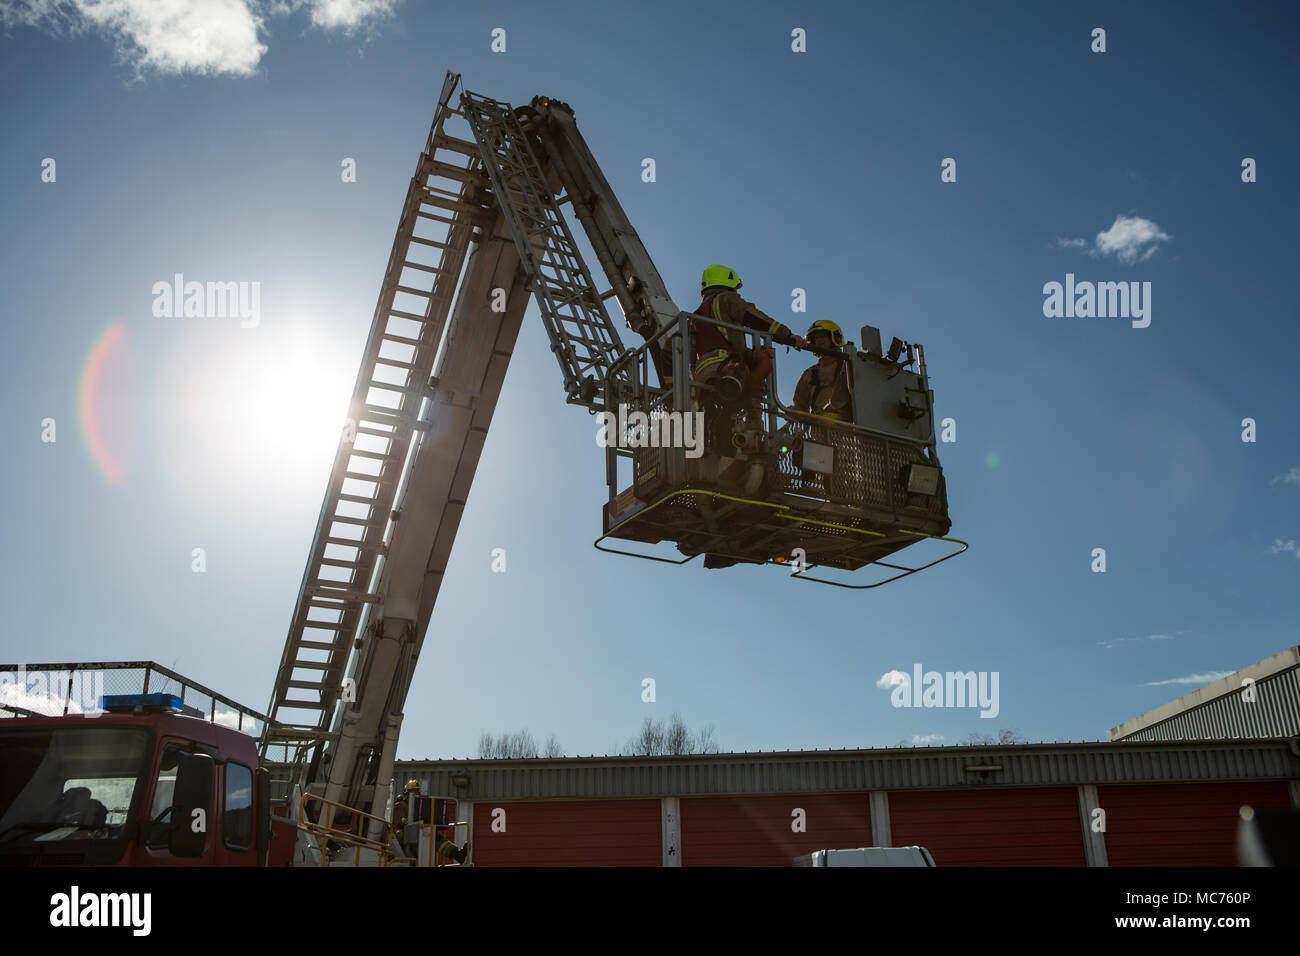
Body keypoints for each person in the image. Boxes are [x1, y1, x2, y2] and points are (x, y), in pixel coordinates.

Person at [692, 264, 805, 414]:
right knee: (765, 357)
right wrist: (787, 335)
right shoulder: (726, 299)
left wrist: (672, 390)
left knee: (719, 418)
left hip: (700, 377)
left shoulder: (694, 317)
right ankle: (753, 411)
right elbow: (752, 317)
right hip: (728, 368)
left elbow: (670, 349)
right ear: (729, 283)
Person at [791, 320, 853, 421]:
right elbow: (800, 405)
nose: (819, 340)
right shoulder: (809, 374)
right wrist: (792, 413)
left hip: (846, 430)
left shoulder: (848, 366)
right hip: (818, 429)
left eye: (823, 336)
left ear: (835, 337)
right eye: (816, 338)